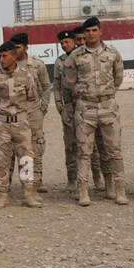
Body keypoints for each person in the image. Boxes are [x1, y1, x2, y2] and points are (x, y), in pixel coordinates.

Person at [71, 17, 127, 205]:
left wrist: (105, 94)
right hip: (85, 108)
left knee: (114, 150)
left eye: (94, 30)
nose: (91, 34)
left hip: (107, 107)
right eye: (87, 31)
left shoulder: (112, 53)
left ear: (100, 31)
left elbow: (118, 77)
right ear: (84, 33)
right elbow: (69, 81)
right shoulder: (76, 55)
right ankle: (83, 191)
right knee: (83, 151)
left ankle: (119, 189)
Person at [0, 42, 41, 208]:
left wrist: (20, 113)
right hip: (2, 125)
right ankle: (2, 194)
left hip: (21, 124)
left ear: (14, 56)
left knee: (26, 158)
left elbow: (32, 97)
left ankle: (28, 194)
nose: (2, 60)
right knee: (1, 160)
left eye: (5, 56)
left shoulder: (26, 76)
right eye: (0, 56)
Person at [9, 32, 51, 193]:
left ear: (26, 47)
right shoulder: (7, 64)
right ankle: (17, 182)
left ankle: (37, 180)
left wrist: (43, 107)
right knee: (15, 147)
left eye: (18, 47)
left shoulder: (37, 64)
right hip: (14, 113)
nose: (15, 51)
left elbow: (46, 87)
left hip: (33, 111)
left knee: (36, 144)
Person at [54, 29, 80, 195]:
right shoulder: (59, 61)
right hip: (68, 107)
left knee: (92, 146)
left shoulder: (81, 56)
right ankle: (72, 179)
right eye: (62, 43)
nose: (64, 45)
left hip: (85, 105)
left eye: (67, 42)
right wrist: (59, 105)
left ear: (74, 41)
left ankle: (98, 178)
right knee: (70, 145)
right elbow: (56, 85)